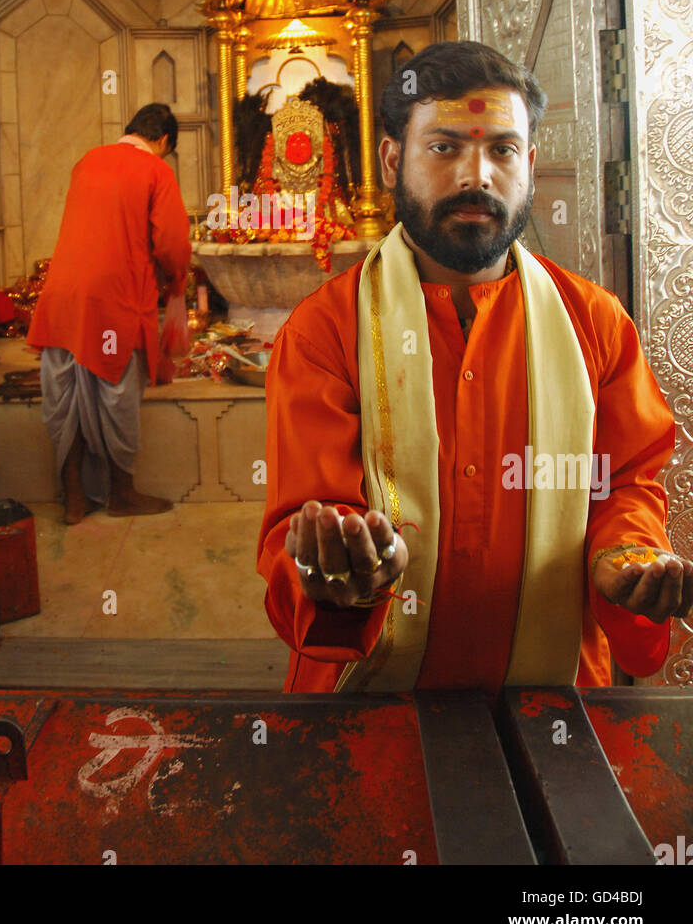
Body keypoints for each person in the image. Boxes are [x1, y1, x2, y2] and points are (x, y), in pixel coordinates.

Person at [258, 42, 693, 692]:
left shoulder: (596, 325)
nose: (477, 175)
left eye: (502, 149)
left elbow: (624, 484)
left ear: (531, 165)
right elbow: (308, 523)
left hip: (555, 703)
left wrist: (622, 557)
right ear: (390, 158)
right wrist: (346, 572)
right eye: (445, 147)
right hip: (372, 707)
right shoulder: (325, 333)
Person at [28, 103, 190, 523]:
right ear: (164, 141)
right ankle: (121, 493)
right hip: (115, 300)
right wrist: (177, 282)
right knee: (116, 395)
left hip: (61, 300)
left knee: (65, 398)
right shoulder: (156, 170)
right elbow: (171, 243)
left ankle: (74, 497)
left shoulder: (87, 161)